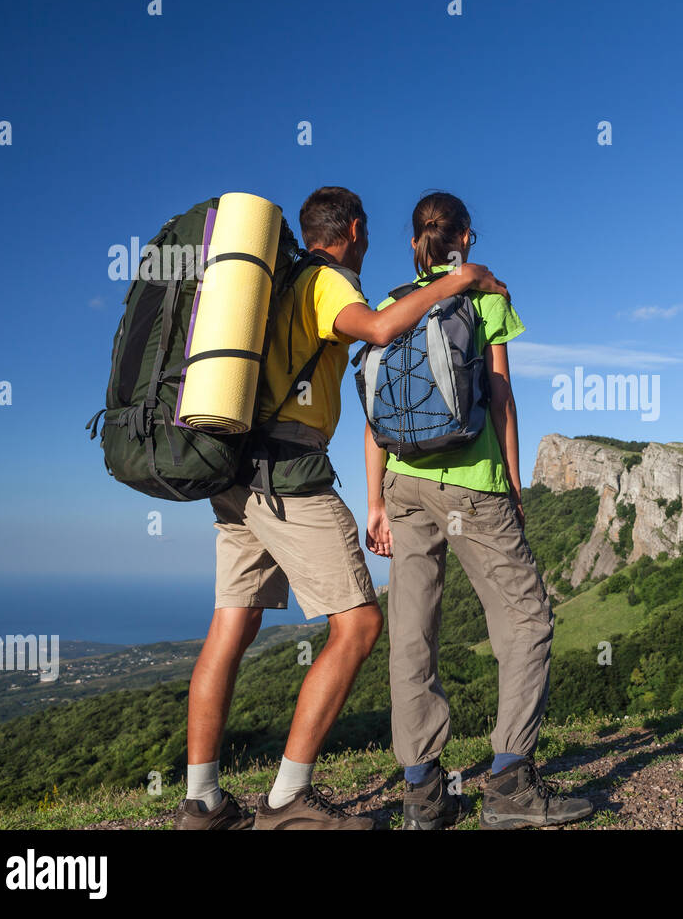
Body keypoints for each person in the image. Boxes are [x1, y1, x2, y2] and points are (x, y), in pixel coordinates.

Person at [175, 186, 507, 830]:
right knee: (357, 627)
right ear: (354, 228)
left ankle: (201, 801)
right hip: (290, 475)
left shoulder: (271, 285)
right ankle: (287, 799)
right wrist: (457, 281)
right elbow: (379, 328)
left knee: (231, 630)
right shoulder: (327, 282)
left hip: (234, 468)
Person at [365, 191, 593, 830]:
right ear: (465, 237)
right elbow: (501, 397)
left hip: (404, 487)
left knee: (412, 636)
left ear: (415, 241)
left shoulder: (389, 307)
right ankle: (510, 785)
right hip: (472, 483)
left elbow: (373, 419)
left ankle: (422, 796)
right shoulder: (484, 298)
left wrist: (376, 501)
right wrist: (515, 485)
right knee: (526, 620)